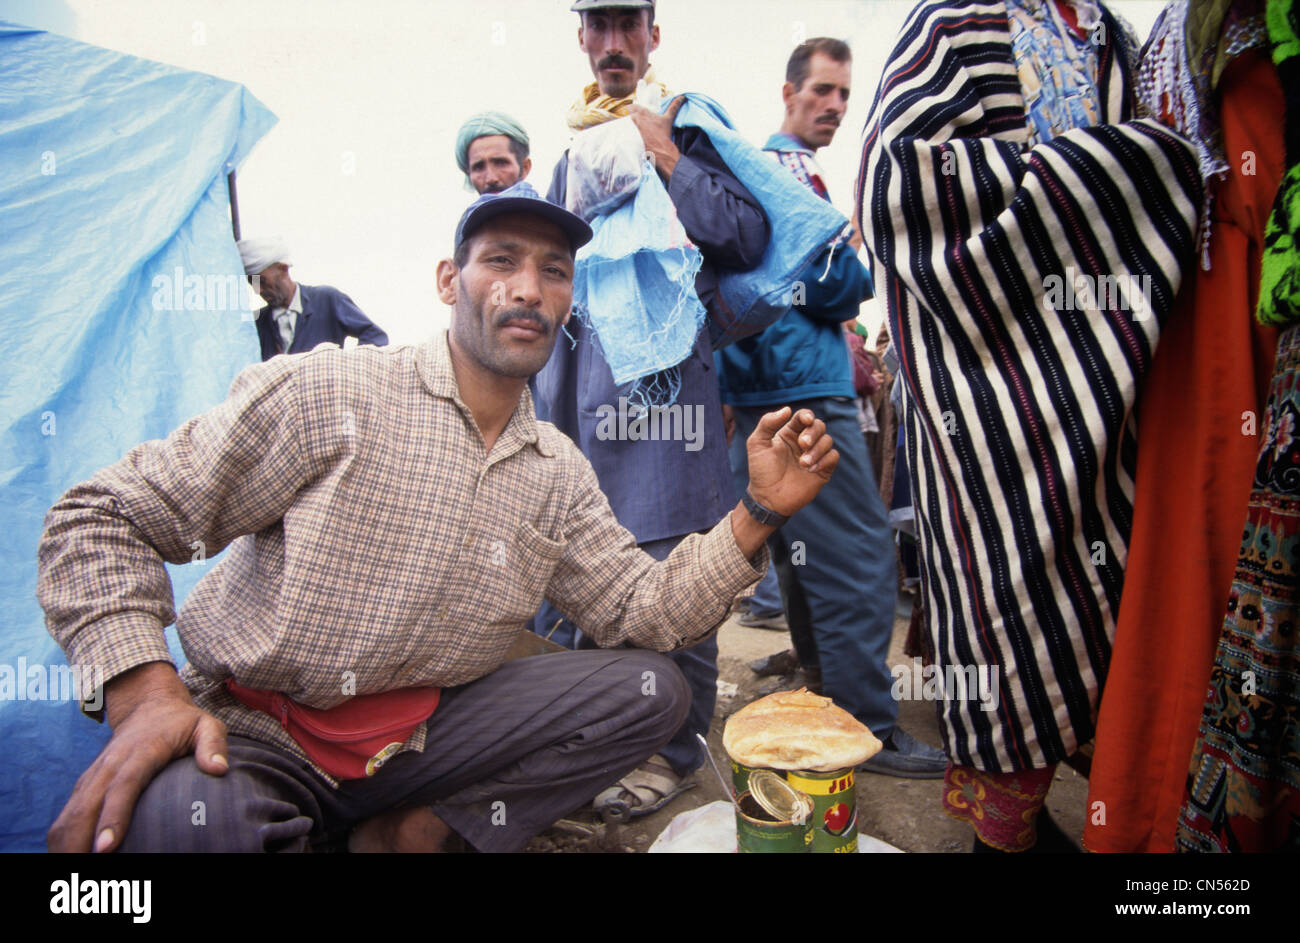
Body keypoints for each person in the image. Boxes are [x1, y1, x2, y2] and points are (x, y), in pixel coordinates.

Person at [36, 181, 841, 853]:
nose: (527, 287)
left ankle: (415, 832)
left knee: (649, 688)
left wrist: (759, 510)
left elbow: (645, 610)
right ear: (448, 282)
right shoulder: (334, 393)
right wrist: (144, 693)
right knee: (178, 828)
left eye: (554, 271)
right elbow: (102, 514)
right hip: (262, 729)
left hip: (428, 739)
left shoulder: (556, 467)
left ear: (570, 299)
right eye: (500, 262)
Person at [857, 0, 1203, 851]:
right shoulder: (955, 24)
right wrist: (1119, 172)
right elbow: (895, 183)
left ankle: (1108, 810)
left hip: (1113, 396)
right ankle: (1002, 838)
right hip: (989, 411)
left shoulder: (1124, 41)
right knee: (1005, 610)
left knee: (1116, 607)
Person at [530, 0, 771, 817]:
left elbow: (745, 235)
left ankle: (675, 747)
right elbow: (556, 277)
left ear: (652, 35)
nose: (613, 42)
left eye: (627, 23)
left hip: (670, 395)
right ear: (581, 40)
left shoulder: (687, 124)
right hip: (583, 387)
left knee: (677, 567)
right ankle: (597, 737)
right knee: (582, 571)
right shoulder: (568, 152)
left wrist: (664, 150)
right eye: (597, 26)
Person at [1087, 0, 1290, 852]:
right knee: (1214, 588)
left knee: (1178, 584)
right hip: (1239, 341)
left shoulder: (1171, 31)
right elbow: (1260, 178)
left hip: (1188, 339)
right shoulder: (1237, 28)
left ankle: (1146, 817)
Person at [718, 38, 945, 778]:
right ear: (789, 93)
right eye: (823, 90)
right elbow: (839, 282)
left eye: (845, 94)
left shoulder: (754, 173)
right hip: (804, 385)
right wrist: (848, 262)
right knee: (860, 560)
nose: (837, 107)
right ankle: (864, 728)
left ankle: (827, 699)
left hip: (766, 386)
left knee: (806, 556)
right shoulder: (784, 171)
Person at [238, 237, 388, 361]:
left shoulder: (327, 300)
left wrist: (349, 369)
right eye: (253, 283)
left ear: (283, 269)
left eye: (262, 281)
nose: (259, 291)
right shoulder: (257, 324)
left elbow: (375, 337)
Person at [456, 111, 532, 195]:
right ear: (469, 174)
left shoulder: (545, 208)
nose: (491, 179)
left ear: (525, 167)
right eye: (478, 167)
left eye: (501, 163)